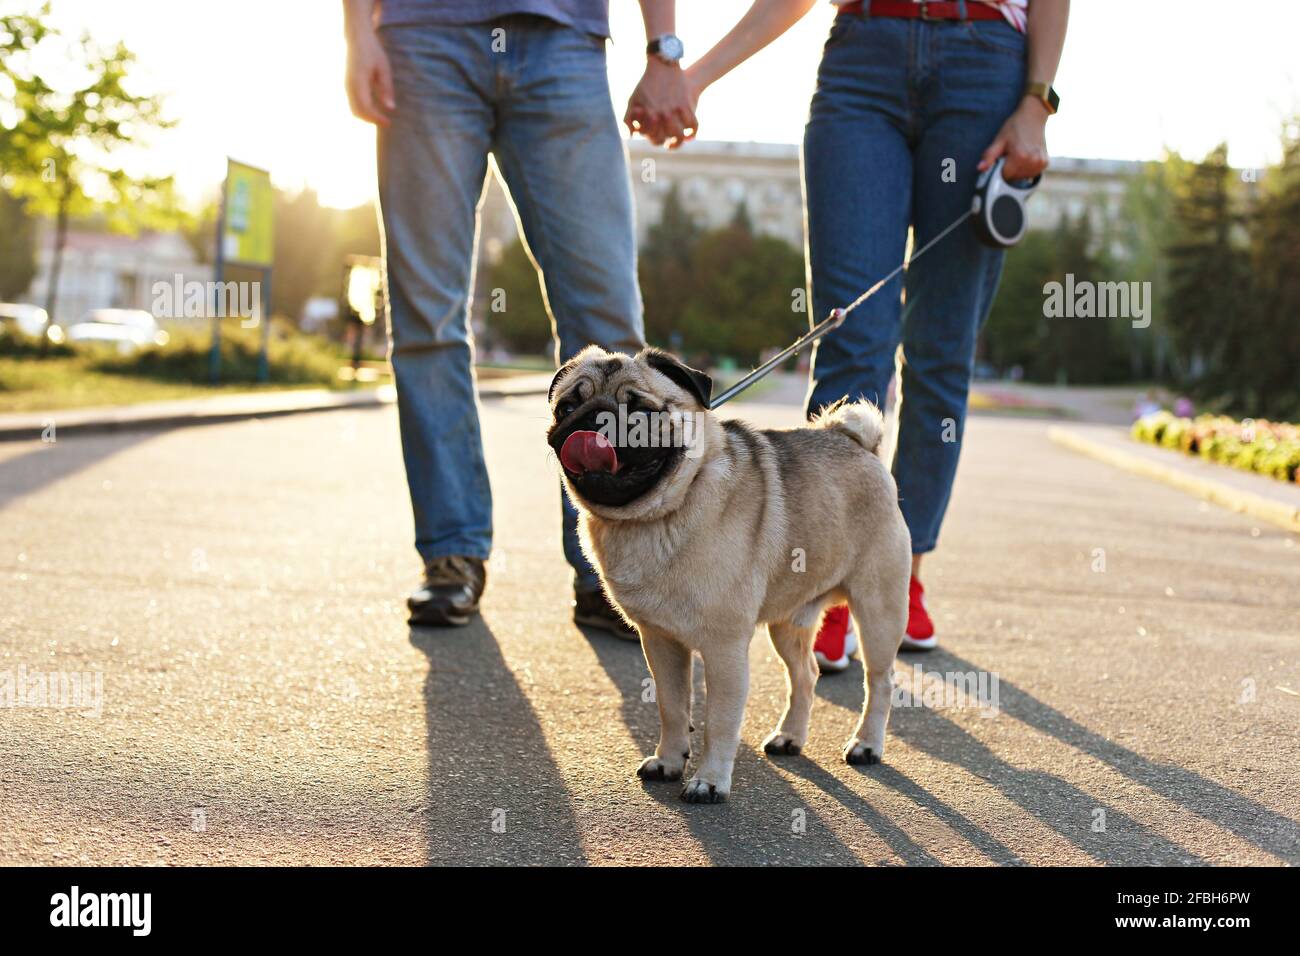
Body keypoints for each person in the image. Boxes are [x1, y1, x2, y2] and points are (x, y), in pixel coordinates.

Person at [671, 0, 1068, 665]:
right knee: (852, 337)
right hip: (863, 57)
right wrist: (697, 75)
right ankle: (827, 576)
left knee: (942, 354)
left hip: (987, 61)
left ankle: (899, 572)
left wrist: (1039, 100)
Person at [342, 0, 696, 638]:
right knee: (426, 317)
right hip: (422, 37)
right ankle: (451, 552)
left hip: (563, 39)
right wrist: (355, 32)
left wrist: (663, 47)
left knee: (607, 321)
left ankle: (610, 570)